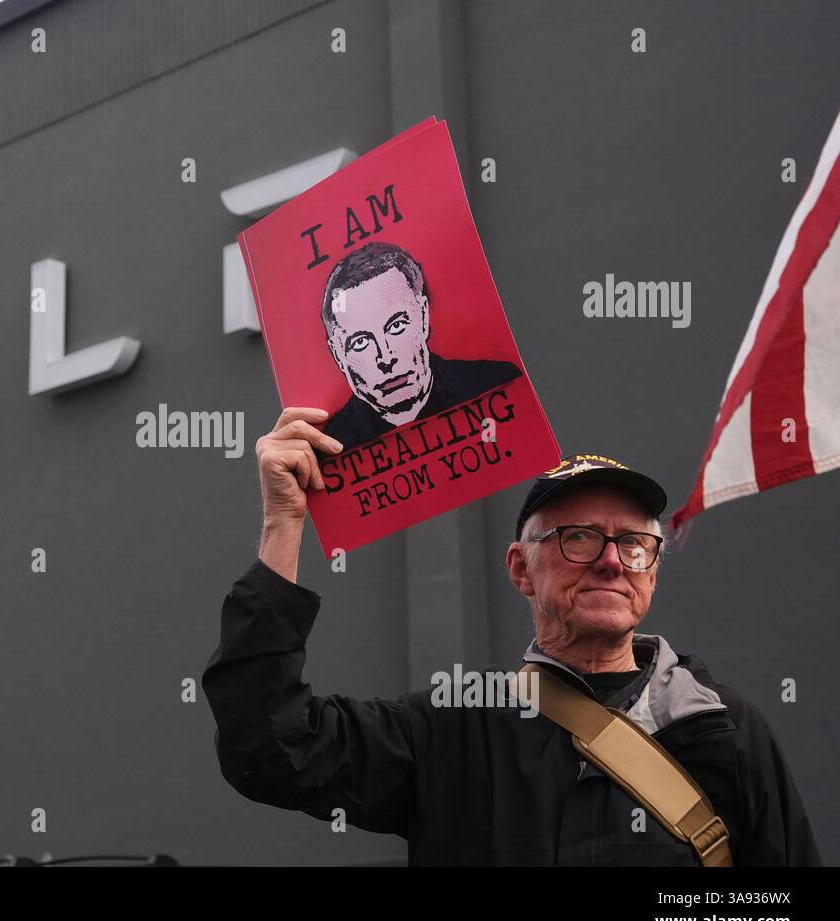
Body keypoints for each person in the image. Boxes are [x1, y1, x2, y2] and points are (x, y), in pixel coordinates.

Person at [201, 412, 822, 865]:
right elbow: (270, 748)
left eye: (634, 544)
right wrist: (284, 522)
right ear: (521, 569)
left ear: (651, 572)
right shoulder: (451, 728)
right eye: (579, 538)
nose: (611, 561)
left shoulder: (724, 728)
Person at [319, 242, 521, 452]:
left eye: (396, 326)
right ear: (338, 355)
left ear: (423, 318)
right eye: (360, 342)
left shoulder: (497, 385)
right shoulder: (327, 449)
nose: (386, 358)